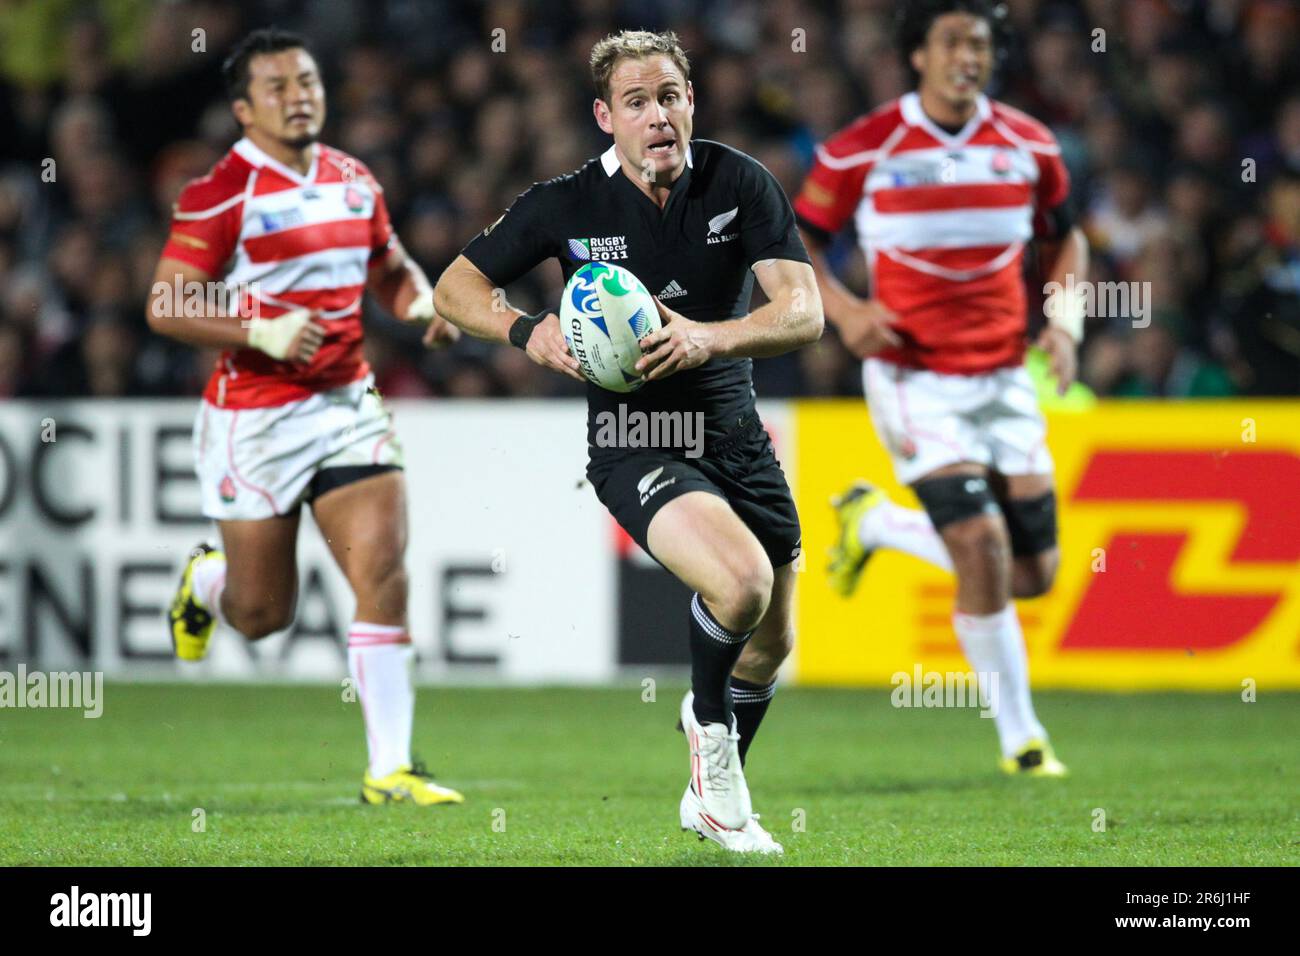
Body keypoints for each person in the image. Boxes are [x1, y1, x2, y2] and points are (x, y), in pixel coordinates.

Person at [433, 30, 823, 853]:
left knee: (773, 642)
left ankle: (706, 778)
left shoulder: (738, 182)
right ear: (605, 116)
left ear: (692, 104)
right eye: (637, 102)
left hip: (734, 433)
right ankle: (713, 761)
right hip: (636, 436)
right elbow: (455, 286)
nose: (658, 116)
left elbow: (805, 313)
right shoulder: (565, 204)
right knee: (741, 585)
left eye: (671, 97)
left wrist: (711, 338)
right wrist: (525, 331)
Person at [147, 28, 464, 806]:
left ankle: (389, 769)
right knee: (262, 615)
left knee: (383, 571)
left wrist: (420, 303)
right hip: (254, 419)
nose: (299, 97)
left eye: (308, 81)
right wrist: (260, 328)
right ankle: (209, 582)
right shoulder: (220, 191)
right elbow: (167, 301)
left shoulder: (354, 178)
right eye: (278, 87)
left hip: (346, 405)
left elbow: (388, 267)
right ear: (243, 108)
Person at [795, 0, 1090, 776]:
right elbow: (794, 245)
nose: (970, 56)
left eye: (982, 45)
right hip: (913, 380)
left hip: (1005, 380)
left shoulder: (1029, 144)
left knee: (1033, 575)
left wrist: (1066, 325)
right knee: (982, 543)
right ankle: (1023, 742)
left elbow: (1068, 242)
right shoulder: (864, 148)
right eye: (953, 41)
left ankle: (877, 525)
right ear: (917, 55)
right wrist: (848, 310)